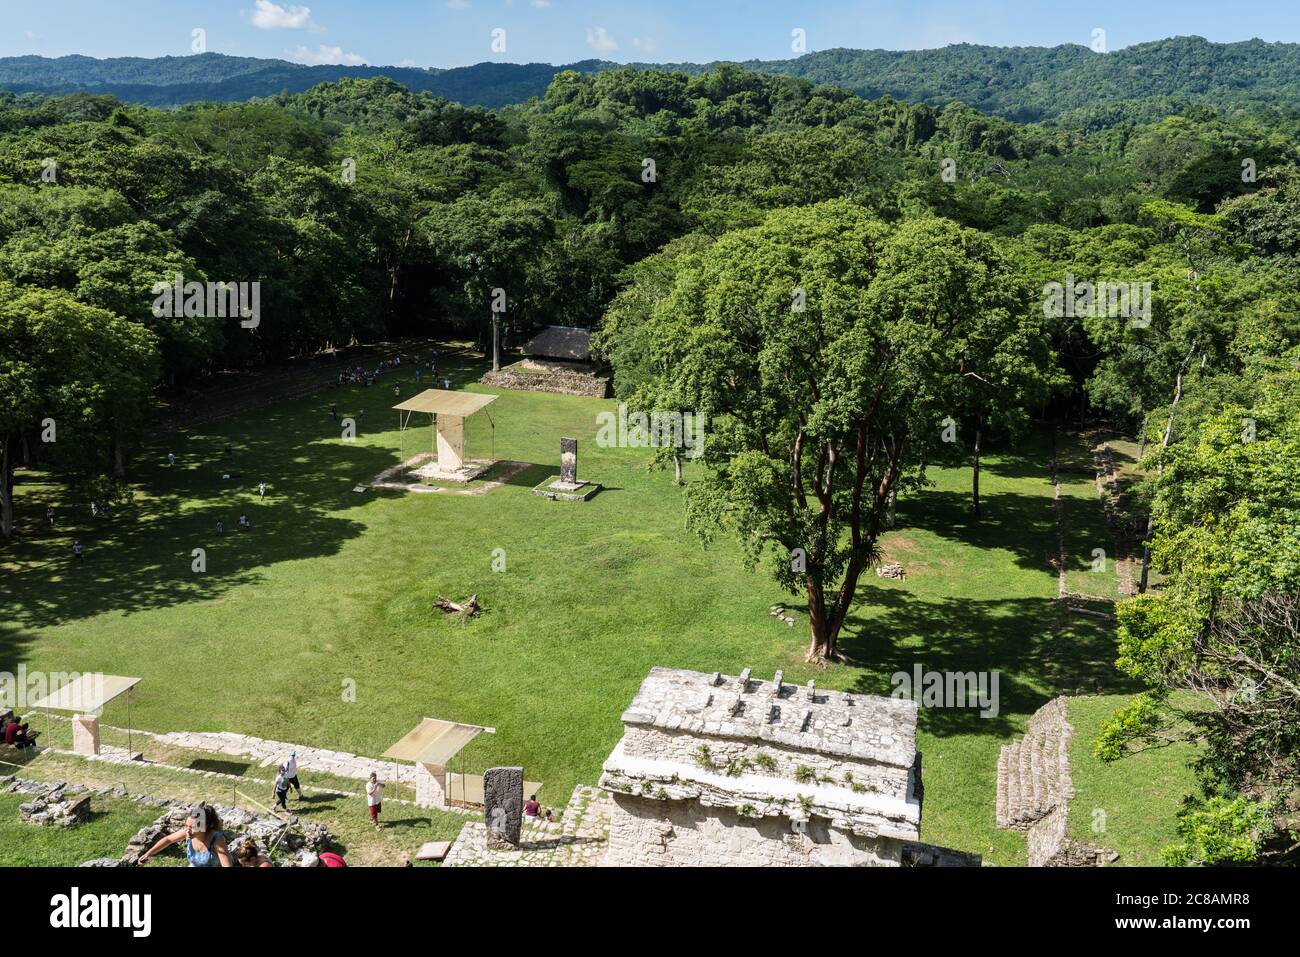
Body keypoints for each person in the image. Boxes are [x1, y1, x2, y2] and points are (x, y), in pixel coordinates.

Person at [138, 803, 231, 867]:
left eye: (192, 827)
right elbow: (168, 840)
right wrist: (148, 854)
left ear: (204, 827)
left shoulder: (217, 839)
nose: (187, 830)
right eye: (186, 826)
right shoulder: (188, 832)